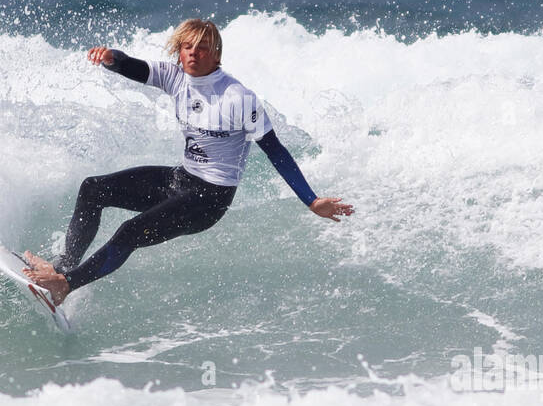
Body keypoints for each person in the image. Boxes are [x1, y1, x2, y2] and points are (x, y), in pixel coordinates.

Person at [22, 18, 354, 304]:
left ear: (217, 55)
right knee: (93, 189)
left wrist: (311, 201)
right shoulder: (175, 77)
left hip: (210, 199)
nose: (194, 53)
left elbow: (276, 151)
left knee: (130, 232)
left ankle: (66, 286)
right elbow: (132, 65)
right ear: (179, 52)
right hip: (182, 180)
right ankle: (63, 267)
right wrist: (111, 58)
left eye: (203, 48)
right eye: (188, 47)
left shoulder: (238, 98)